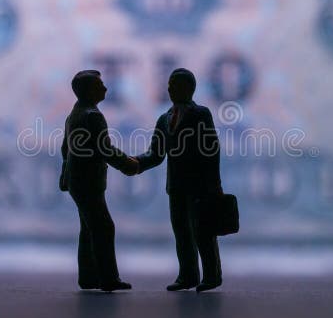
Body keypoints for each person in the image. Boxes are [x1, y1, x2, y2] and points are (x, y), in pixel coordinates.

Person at [132, 68, 224, 292]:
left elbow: (211, 150)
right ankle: (188, 275)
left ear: (189, 88)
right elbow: (156, 153)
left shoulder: (200, 114)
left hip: (199, 185)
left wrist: (214, 185)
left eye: (176, 84)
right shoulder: (164, 119)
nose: (170, 88)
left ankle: (211, 276)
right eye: (170, 84)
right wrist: (135, 163)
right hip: (175, 186)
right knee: (182, 231)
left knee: (203, 232)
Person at [60, 70, 139, 292]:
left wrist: (64, 175)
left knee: (88, 229)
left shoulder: (73, 115)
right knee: (103, 227)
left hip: (77, 180)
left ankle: (87, 277)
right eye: (99, 85)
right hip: (89, 180)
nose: (105, 88)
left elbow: (65, 149)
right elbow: (104, 149)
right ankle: (108, 278)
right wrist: (127, 164)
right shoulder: (93, 115)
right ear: (88, 91)